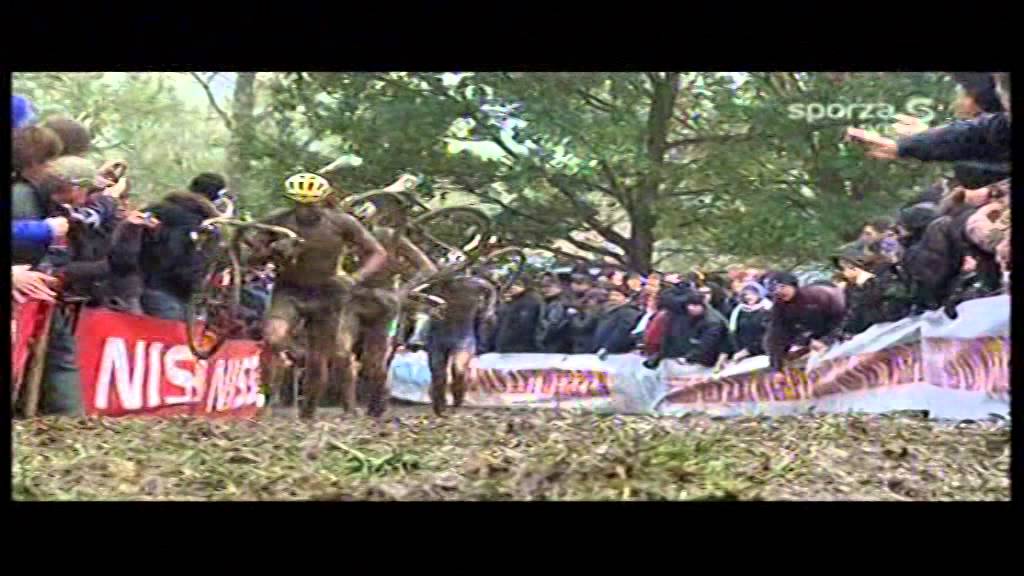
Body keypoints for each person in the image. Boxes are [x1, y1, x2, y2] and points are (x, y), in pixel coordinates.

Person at [248, 172, 388, 419]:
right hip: (289, 290)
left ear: (322, 201)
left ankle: (308, 413)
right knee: (273, 338)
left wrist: (355, 278)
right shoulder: (276, 221)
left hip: (328, 294)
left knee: (318, 359)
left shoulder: (342, 222)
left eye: (311, 204)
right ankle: (265, 401)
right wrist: (271, 251)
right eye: (299, 204)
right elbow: (248, 255)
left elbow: (377, 253)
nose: (305, 211)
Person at [424, 273, 496, 416]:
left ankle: (457, 403)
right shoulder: (434, 284)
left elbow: (491, 291)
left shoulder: (476, 284)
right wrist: (428, 310)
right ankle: (439, 407)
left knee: (458, 370)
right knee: (438, 374)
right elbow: (417, 300)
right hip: (438, 334)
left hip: (463, 334)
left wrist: (489, 309)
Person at [764, 272, 846, 376]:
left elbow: (841, 319)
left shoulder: (818, 295)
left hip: (840, 332)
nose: (779, 292)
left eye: (782, 287)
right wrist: (777, 368)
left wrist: (827, 340)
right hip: (814, 340)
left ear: (793, 285)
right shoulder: (779, 306)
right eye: (774, 290)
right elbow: (776, 334)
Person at [835, 248, 911, 337]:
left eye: (843, 268)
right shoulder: (851, 289)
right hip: (880, 330)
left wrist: (868, 282)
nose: (843, 272)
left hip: (902, 320)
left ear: (853, 266)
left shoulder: (883, 272)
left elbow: (900, 293)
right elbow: (855, 315)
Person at [644, 291, 727, 369]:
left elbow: (706, 345)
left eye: (695, 305)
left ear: (702, 305)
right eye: (689, 305)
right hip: (683, 356)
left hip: (702, 362)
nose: (691, 308)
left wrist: (688, 358)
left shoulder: (712, 321)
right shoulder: (684, 315)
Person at [490, 275, 543, 353]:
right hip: (507, 348)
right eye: (511, 284)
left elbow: (522, 326)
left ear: (526, 285)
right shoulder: (513, 301)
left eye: (517, 284)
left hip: (520, 349)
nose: (512, 287)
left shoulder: (530, 301)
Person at [591, 283, 643, 358]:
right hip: (599, 350)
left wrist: (607, 348)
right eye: (612, 295)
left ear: (626, 298)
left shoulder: (628, 311)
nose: (613, 298)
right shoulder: (605, 310)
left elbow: (621, 332)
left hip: (615, 353)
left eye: (617, 295)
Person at [728, 281, 772, 361]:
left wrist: (748, 350)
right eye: (745, 294)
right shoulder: (738, 311)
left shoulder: (768, 309)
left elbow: (769, 334)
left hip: (765, 354)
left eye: (752, 294)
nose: (748, 297)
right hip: (744, 356)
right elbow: (735, 333)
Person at [536, 273, 574, 354]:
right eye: (542, 287)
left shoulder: (560, 304)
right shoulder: (545, 302)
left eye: (548, 286)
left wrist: (540, 339)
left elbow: (552, 326)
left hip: (555, 348)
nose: (544, 290)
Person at [569, 287, 607, 354]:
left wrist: (574, 315)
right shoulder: (604, 310)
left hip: (586, 344)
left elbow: (581, 326)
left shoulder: (593, 311)